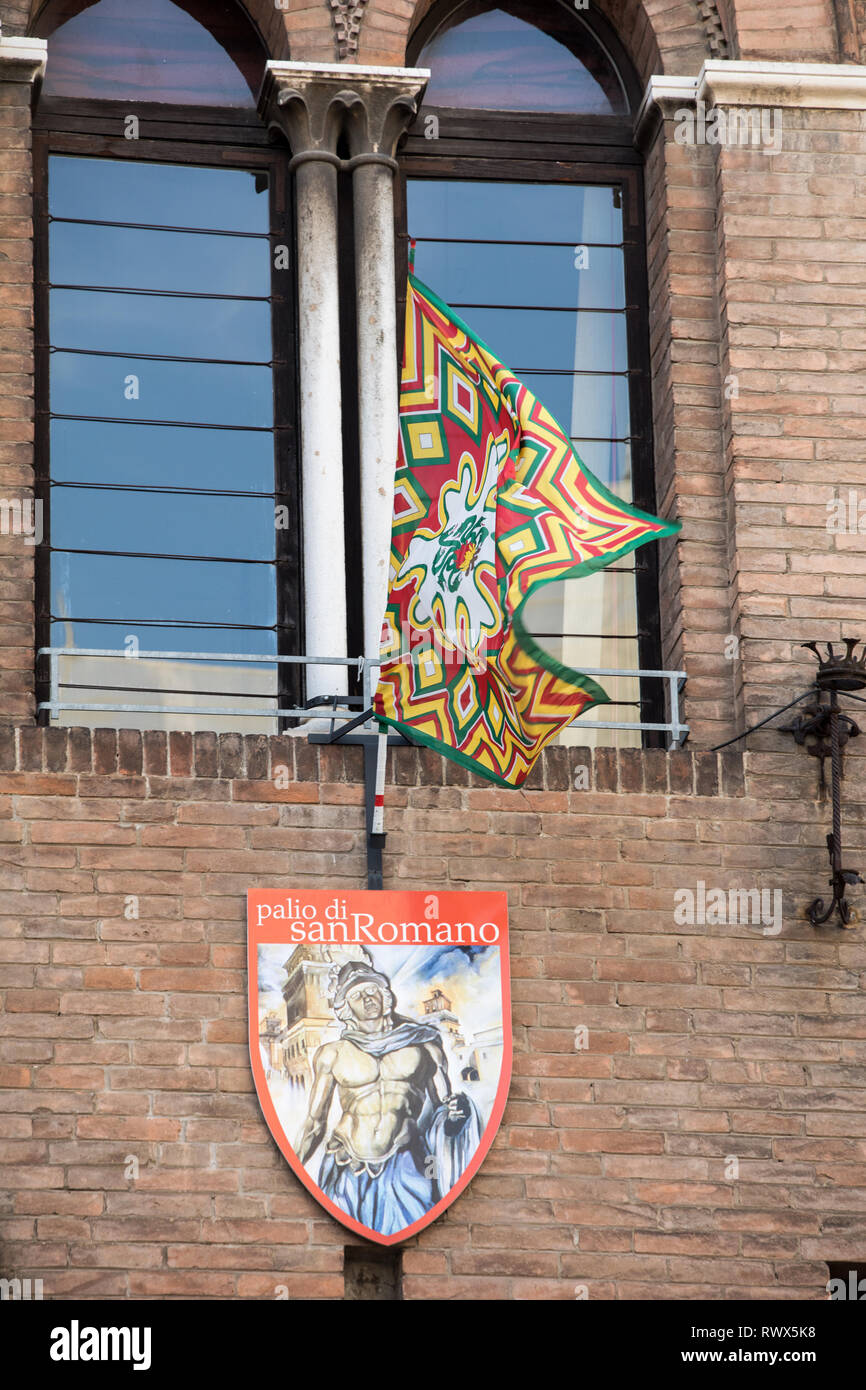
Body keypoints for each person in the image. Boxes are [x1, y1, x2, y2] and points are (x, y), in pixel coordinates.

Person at [296, 960, 479, 1237]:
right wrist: (288, 1173)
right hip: (346, 1164)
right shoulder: (332, 1054)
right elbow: (314, 1122)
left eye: (373, 990)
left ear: (386, 996)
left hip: (406, 1163)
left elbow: (443, 1112)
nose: (368, 998)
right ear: (346, 1008)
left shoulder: (425, 1045)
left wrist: (458, 1112)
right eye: (356, 995)